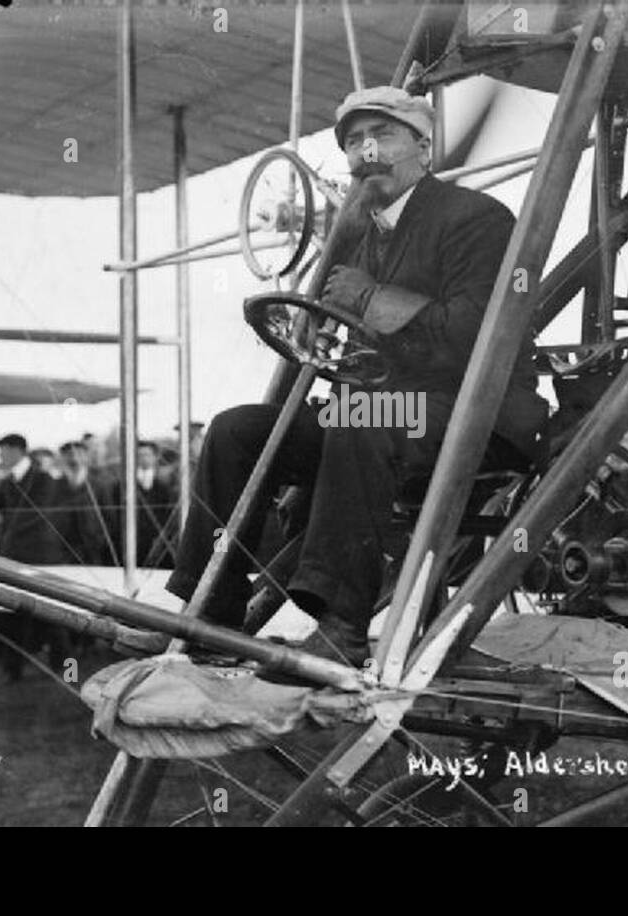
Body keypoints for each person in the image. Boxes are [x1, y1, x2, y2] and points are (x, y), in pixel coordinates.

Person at [165, 86, 547, 666]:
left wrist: (368, 299)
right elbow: (361, 349)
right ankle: (209, 612)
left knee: (358, 417)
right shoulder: (364, 235)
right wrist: (315, 332)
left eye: (384, 135)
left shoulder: (477, 219)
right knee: (236, 430)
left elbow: (477, 339)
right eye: (354, 141)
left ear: (424, 146)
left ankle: (341, 627)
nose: (367, 150)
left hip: (479, 410)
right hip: (388, 415)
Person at [0, 433, 72, 680]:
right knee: (13, 615)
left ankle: (68, 671)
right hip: (16, 557)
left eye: (3, 451)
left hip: (42, 557)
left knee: (55, 618)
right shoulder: (7, 482)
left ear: (16, 451)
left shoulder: (44, 480)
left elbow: (36, 516)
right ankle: (12, 671)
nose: (0, 456)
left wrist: (1, 519)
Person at [58, 440, 119, 566]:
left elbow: (110, 517)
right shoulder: (55, 484)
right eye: (69, 454)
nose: (74, 459)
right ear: (63, 458)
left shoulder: (100, 484)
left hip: (94, 549)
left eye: (79, 454)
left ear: (87, 457)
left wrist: (100, 540)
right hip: (62, 549)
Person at [134, 439, 179, 568]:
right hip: (133, 543)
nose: (143, 459)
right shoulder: (122, 486)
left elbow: (168, 516)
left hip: (158, 543)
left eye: (147, 455)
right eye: (139, 455)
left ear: (155, 458)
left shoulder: (165, 487)